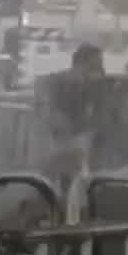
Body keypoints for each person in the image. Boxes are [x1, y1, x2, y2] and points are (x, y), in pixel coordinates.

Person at [35, 43, 106, 180]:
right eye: (94, 67)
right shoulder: (57, 84)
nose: (99, 72)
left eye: (99, 68)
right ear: (80, 64)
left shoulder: (90, 89)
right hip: (61, 147)